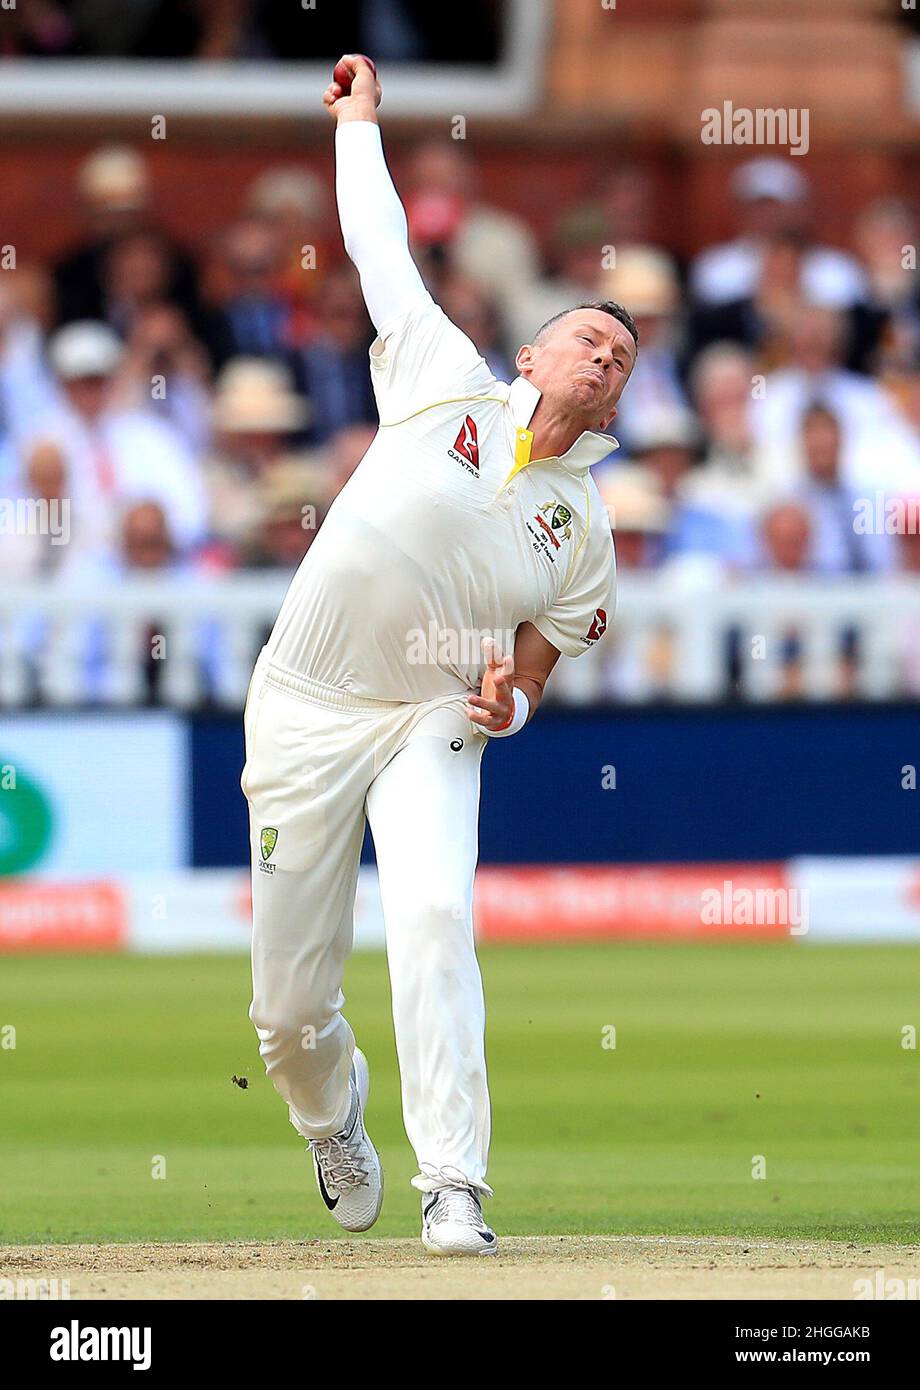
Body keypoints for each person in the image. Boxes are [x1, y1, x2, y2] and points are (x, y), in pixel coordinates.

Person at [240, 55, 636, 1257]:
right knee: (287, 1011)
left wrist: (507, 702)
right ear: (529, 356)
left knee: (427, 911)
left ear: (619, 406)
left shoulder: (585, 533)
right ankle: (331, 1119)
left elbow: (532, 670)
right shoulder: (440, 377)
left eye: (622, 357)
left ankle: (452, 1182)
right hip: (306, 702)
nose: (605, 355)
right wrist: (361, 125)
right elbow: (377, 251)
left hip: (431, 719)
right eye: (585, 337)